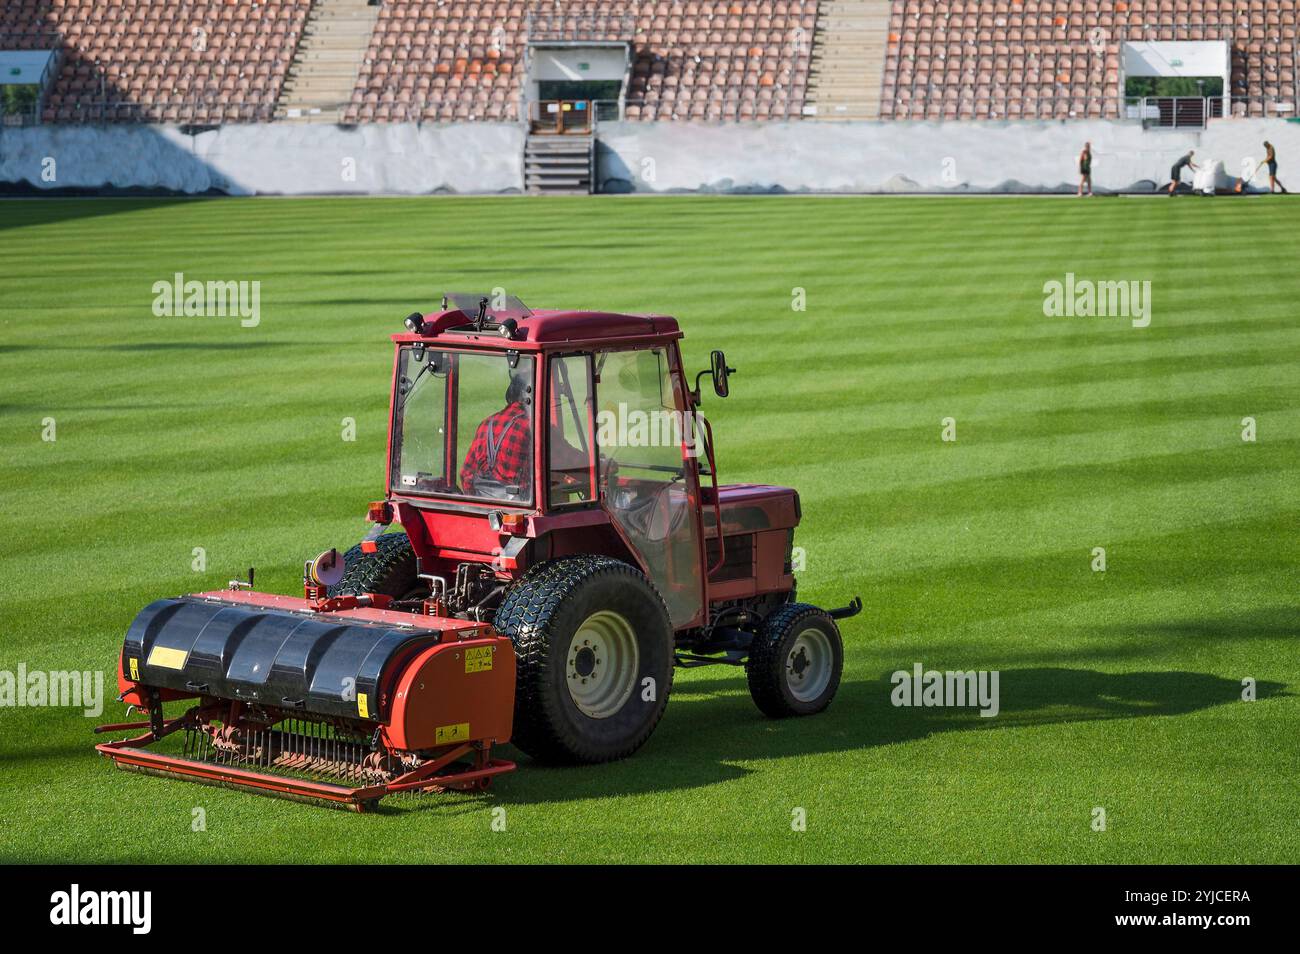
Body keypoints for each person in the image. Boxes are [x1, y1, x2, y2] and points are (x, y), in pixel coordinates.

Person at [460, 374, 531, 498]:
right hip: (520, 509)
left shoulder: (486, 423)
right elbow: (567, 461)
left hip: (482, 508)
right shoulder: (532, 426)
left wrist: (479, 505)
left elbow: (466, 474)